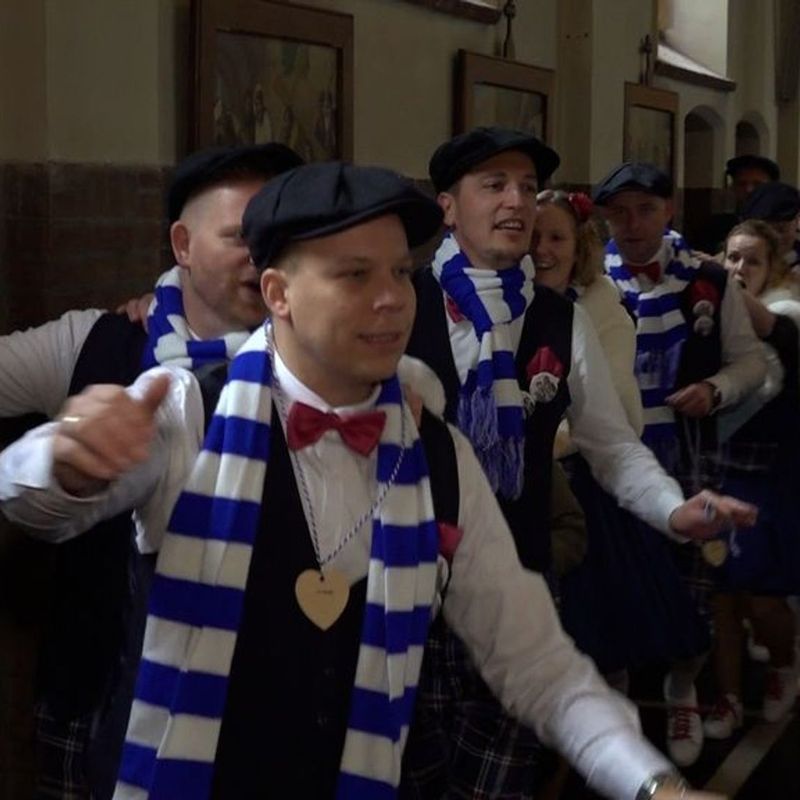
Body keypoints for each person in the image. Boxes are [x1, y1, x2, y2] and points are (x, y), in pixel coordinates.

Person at [0, 162, 709, 800]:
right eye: (353, 275)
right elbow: (35, 505)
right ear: (277, 291)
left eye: (401, 272)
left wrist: (655, 787)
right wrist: (67, 458)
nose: (393, 300)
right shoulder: (190, 410)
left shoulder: (437, 453)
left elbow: (536, 662)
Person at [403, 128, 757, 795]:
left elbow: (613, 444)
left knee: (499, 785)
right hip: (407, 595)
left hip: (518, 585)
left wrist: (673, 509)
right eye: (494, 184)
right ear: (447, 206)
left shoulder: (559, 320)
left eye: (527, 188)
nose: (517, 201)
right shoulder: (398, 306)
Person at [0, 142, 303, 799]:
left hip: (269, 707)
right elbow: (30, 493)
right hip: (95, 686)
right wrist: (68, 451)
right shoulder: (98, 341)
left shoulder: (321, 371)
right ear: (183, 245)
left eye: (282, 235)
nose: (265, 255)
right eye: (240, 236)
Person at [594, 161, 769, 768]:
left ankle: (681, 689)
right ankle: (614, 706)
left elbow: (751, 363)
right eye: (617, 211)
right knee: (613, 583)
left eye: (644, 208)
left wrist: (716, 389)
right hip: (609, 458)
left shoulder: (711, 280)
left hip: (689, 454)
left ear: (669, 210)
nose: (631, 223)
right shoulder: (589, 281)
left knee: (692, 586)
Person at [532, 189, 711, 687]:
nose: (542, 249)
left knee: (604, 632)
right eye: (533, 236)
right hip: (530, 485)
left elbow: (609, 418)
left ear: (578, 246)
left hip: (584, 482)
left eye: (556, 237)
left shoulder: (599, 310)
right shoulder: (504, 302)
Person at [703, 220, 800, 739]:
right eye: (732, 258)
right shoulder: (711, 314)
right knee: (721, 593)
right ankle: (730, 695)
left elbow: (769, 328)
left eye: (752, 261)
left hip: (770, 471)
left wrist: (717, 281)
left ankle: (785, 661)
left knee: (762, 595)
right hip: (720, 465)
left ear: (774, 269)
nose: (740, 269)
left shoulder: (785, 310)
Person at [698, 154, 780, 255]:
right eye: (741, 184)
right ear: (733, 188)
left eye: (757, 184)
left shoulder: (784, 227)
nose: (749, 190)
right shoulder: (715, 228)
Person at [740, 180, 800, 274]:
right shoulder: (733, 263)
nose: (775, 238)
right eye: (765, 231)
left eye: (781, 229)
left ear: (797, 221)